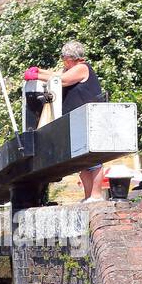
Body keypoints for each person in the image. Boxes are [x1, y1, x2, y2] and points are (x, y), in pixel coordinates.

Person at [32, 40, 107, 200]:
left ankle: (96, 195)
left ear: (71, 58)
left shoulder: (82, 68)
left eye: (64, 58)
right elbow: (56, 76)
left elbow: (62, 80)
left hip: (88, 119)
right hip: (77, 120)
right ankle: (89, 197)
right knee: (83, 163)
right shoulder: (70, 68)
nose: (63, 61)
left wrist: (38, 74)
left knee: (93, 160)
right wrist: (39, 72)